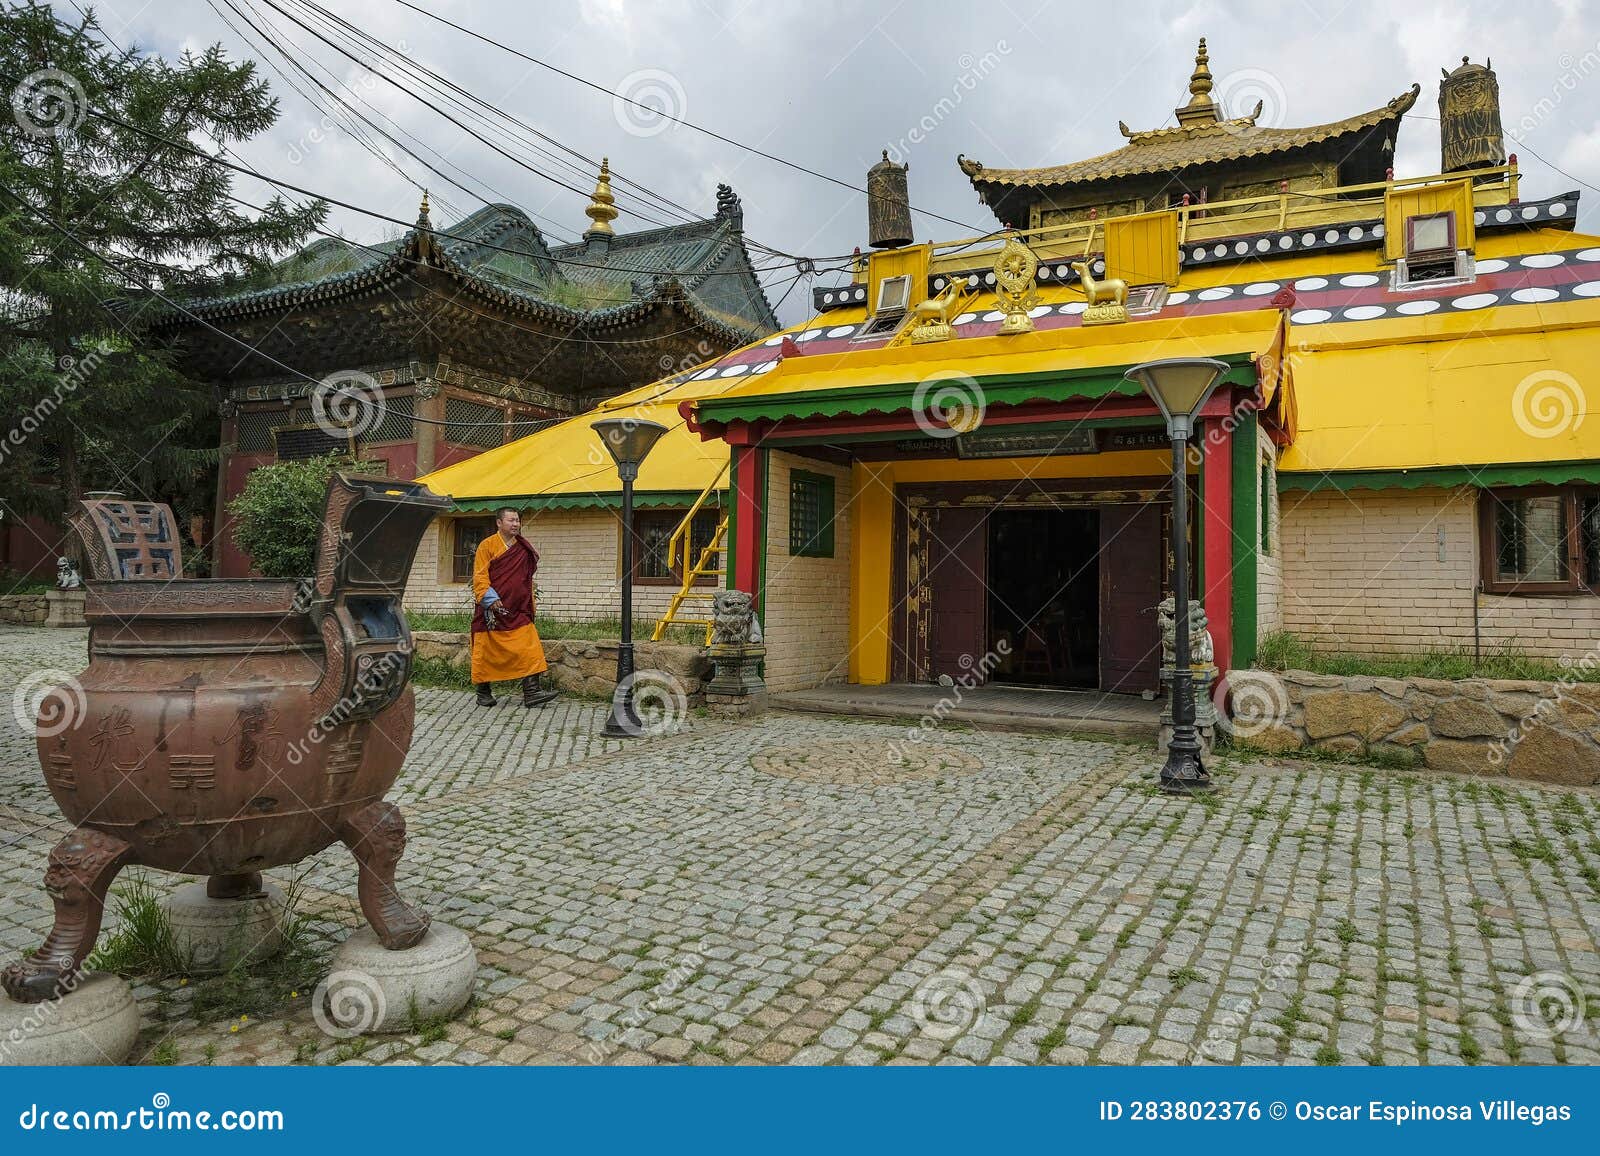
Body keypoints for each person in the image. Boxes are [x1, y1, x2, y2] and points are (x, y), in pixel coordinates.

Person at [470, 507, 558, 708]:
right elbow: (480, 575)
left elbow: (525, 576)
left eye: (517, 520)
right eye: (511, 520)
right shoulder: (487, 545)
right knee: (486, 650)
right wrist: (489, 597)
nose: (515, 524)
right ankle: (483, 692)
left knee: (530, 646)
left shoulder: (522, 547)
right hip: (492, 610)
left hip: (518, 608)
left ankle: (532, 692)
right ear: (499, 523)